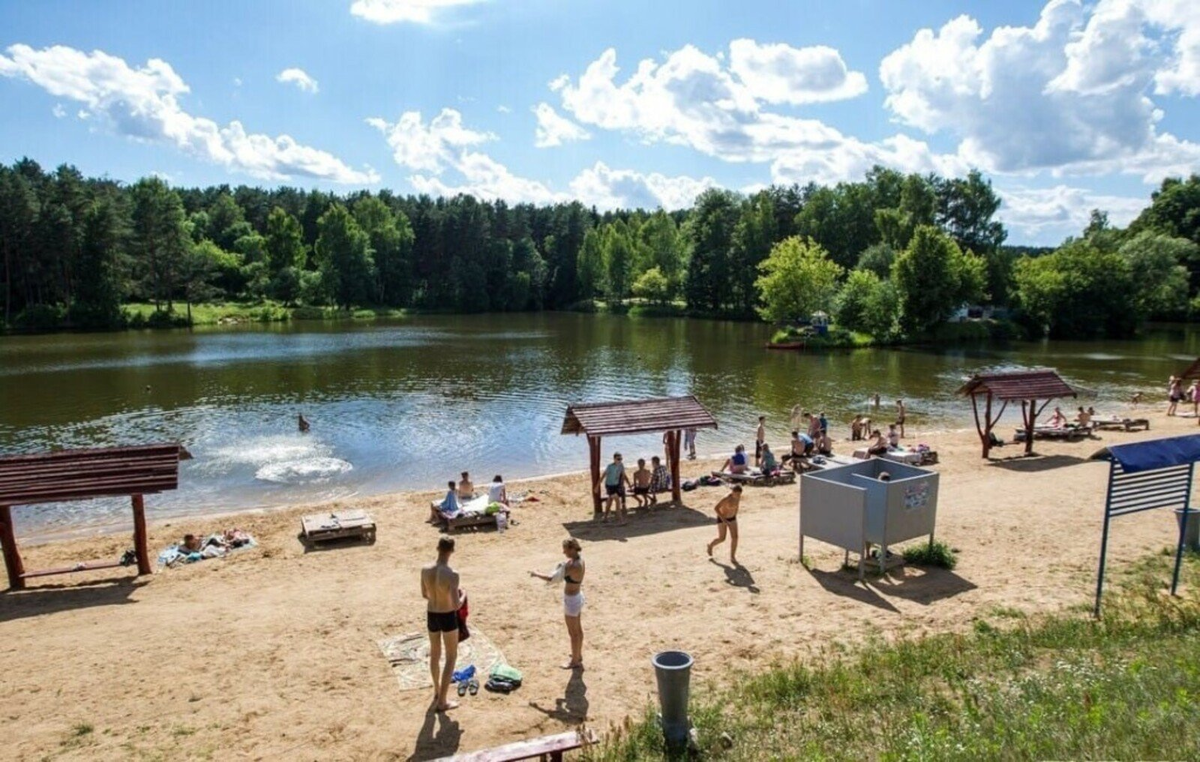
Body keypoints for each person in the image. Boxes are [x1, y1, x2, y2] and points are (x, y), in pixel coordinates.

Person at [529, 538, 585, 670]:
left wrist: (536, 574)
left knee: (573, 633)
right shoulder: (579, 560)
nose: (563, 552)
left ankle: (574, 661)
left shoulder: (572, 565)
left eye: (565, 549)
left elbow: (552, 579)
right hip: (577, 597)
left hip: (571, 601)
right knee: (578, 630)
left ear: (571, 549)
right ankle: (578, 655)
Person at [422, 537, 464, 712]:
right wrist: (464, 595)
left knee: (434, 653)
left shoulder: (425, 570)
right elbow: (456, 605)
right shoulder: (452, 574)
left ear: (437, 548)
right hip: (447, 615)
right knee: (451, 656)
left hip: (432, 613)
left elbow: (424, 594)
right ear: (452, 551)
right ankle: (443, 701)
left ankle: (437, 691)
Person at [706, 485, 742, 566]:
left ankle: (732, 557)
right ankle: (710, 546)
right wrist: (724, 520)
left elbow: (737, 506)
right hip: (722, 518)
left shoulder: (738, 497)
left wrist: (735, 514)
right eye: (737, 494)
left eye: (739, 494)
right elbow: (716, 508)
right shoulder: (726, 498)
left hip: (732, 518)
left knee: (735, 537)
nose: (738, 496)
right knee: (722, 538)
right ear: (733, 492)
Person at [595, 452, 630, 524]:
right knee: (617, 501)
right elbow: (603, 476)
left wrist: (626, 483)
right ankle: (620, 520)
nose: (620, 460)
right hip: (610, 486)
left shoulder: (621, 466)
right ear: (614, 459)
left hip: (616, 485)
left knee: (609, 502)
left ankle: (605, 518)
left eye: (621, 459)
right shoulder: (610, 467)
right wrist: (597, 486)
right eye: (618, 459)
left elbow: (623, 475)